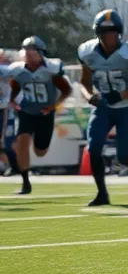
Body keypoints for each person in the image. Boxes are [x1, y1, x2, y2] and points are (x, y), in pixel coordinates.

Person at [77, 9, 128, 206]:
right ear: (98, 33)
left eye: (112, 32)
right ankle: (102, 193)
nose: (108, 36)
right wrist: (89, 96)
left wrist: (122, 95)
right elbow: (84, 82)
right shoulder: (88, 52)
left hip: (127, 107)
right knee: (94, 148)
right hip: (103, 107)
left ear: (119, 32)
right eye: (104, 32)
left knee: (123, 157)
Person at [7, 36, 71, 196]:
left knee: (40, 151)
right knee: (22, 141)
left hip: (45, 113)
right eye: (26, 52)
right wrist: (12, 101)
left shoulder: (51, 70)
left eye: (32, 52)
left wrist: (53, 106)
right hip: (27, 111)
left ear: (41, 53)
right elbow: (14, 88)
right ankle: (25, 182)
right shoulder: (19, 70)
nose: (28, 55)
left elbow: (66, 90)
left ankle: (38, 146)